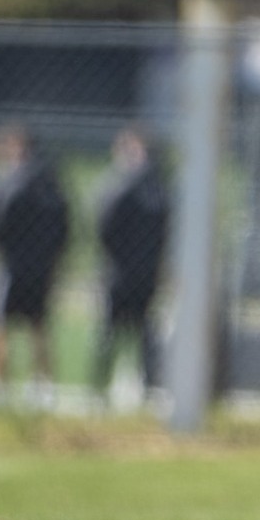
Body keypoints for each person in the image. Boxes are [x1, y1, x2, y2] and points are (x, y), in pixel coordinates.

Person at [0, 123, 71, 403]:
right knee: (39, 326)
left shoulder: (10, 181)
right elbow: (66, 227)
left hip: (10, 264)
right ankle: (43, 386)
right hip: (43, 265)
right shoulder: (52, 182)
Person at [90, 124, 170, 407]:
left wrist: (113, 256)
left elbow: (103, 224)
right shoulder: (161, 187)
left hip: (119, 269)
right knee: (144, 330)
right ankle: (147, 386)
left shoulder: (120, 184)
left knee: (110, 331)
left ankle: (99, 388)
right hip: (147, 268)